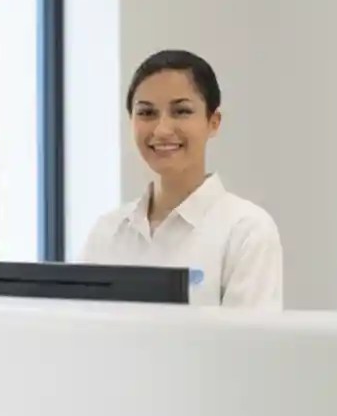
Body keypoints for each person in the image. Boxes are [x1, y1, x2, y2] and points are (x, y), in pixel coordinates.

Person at [80, 49, 284, 309]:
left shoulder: (246, 231)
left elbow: (250, 346)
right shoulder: (107, 232)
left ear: (213, 122)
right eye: (146, 113)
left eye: (181, 111)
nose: (162, 129)